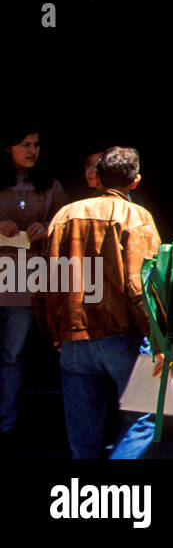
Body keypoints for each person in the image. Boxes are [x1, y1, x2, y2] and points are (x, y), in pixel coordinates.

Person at [31, 147, 160, 459]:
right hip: (121, 335)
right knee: (145, 416)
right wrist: (158, 336)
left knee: (83, 435)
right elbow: (139, 285)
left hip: (73, 338)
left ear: (98, 177)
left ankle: (88, 499)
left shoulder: (65, 214)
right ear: (136, 181)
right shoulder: (136, 215)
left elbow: (42, 282)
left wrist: (54, 331)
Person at [0, 124, 67, 448]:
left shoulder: (50, 187)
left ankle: (7, 422)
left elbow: (65, 227)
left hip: (22, 279)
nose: (32, 150)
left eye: (36, 144)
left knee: (13, 353)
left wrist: (47, 227)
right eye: (24, 144)